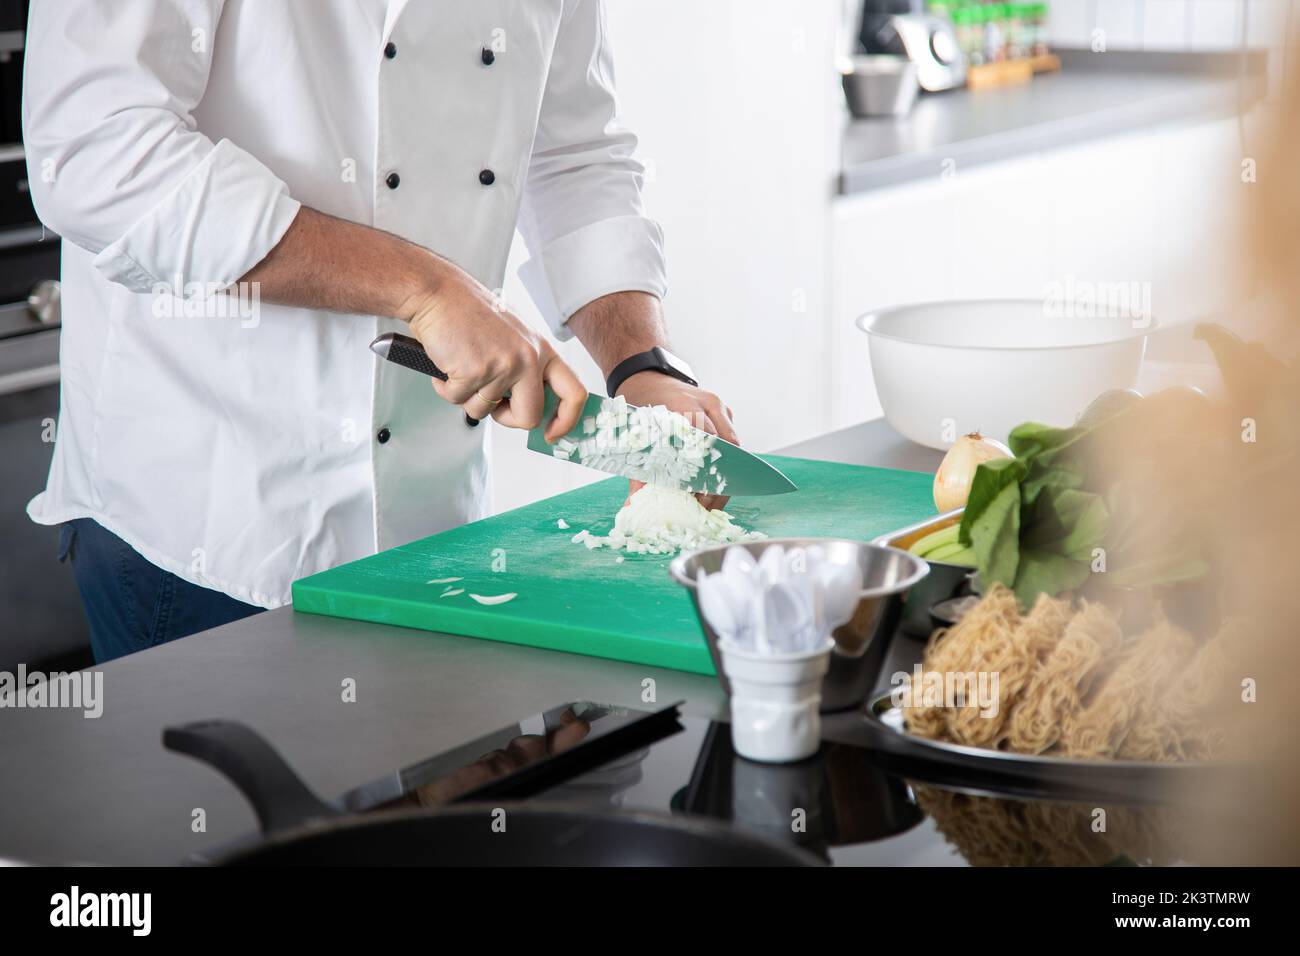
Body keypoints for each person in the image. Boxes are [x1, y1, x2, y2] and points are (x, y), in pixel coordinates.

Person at [22, 0, 736, 662]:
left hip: (437, 527)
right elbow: (97, 154)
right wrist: (423, 291)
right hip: (210, 524)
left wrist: (641, 365)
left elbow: (574, 153)